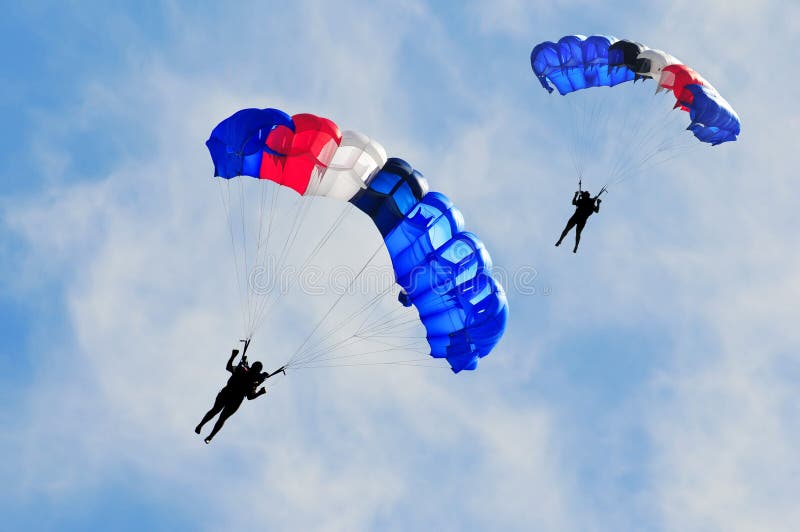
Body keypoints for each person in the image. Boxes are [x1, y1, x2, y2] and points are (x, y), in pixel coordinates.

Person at [195, 348, 285, 444]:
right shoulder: (243, 370)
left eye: (257, 369)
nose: (255, 370)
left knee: (222, 417)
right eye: (255, 367)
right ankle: (200, 425)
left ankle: (210, 436)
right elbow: (229, 367)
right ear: (252, 367)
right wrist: (233, 356)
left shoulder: (254, 381)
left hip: (235, 400)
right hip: (228, 393)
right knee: (215, 411)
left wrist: (260, 392)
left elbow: (250, 396)